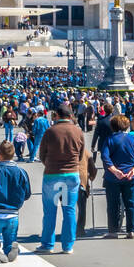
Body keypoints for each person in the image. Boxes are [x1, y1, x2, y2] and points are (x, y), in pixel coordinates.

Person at [38, 103, 87, 254]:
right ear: (70, 115)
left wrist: (50, 164)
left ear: (57, 116)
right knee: (69, 210)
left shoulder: (50, 131)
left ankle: (48, 244)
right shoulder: (78, 132)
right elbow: (80, 155)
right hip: (71, 175)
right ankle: (68, 245)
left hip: (53, 175)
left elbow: (42, 155)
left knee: (50, 211)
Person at [102, 114, 134, 238]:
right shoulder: (133, 139)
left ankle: (113, 231)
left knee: (113, 204)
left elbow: (105, 157)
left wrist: (114, 170)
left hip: (113, 177)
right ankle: (130, 230)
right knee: (130, 203)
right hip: (130, 176)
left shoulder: (109, 139)